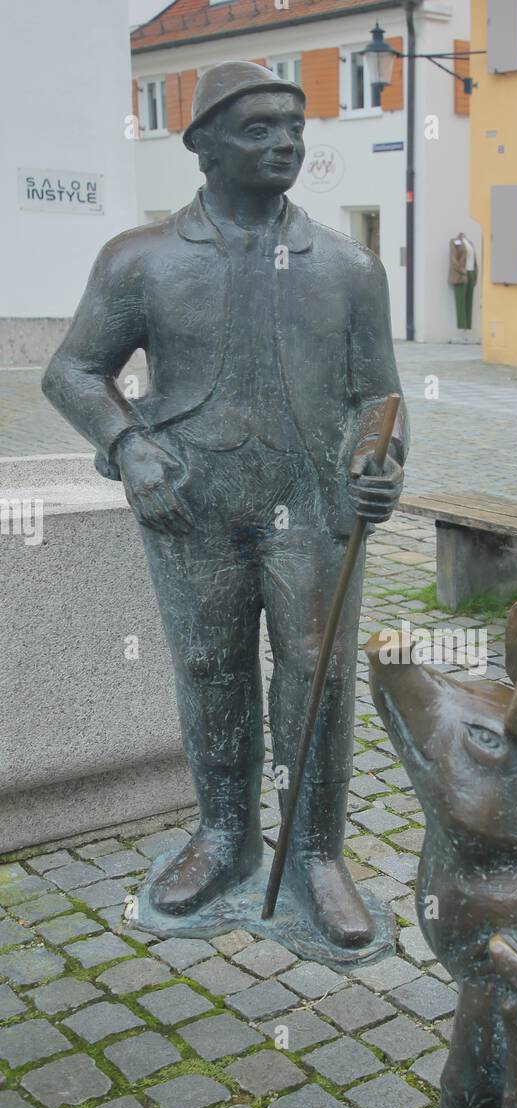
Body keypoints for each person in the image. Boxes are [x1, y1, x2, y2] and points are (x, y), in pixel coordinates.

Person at [43, 62, 408, 952]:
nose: (285, 142)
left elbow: (380, 401)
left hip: (311, 509)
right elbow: (72, 371)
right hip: (192, 507)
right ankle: (222, 837)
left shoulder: (350, 269)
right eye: (258, 128)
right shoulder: (143, 259)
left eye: (294, 126)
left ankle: (317, 855)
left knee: (315, 679)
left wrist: (379, 460)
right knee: (210, 673)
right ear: (202, 144)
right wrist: (130, 446)